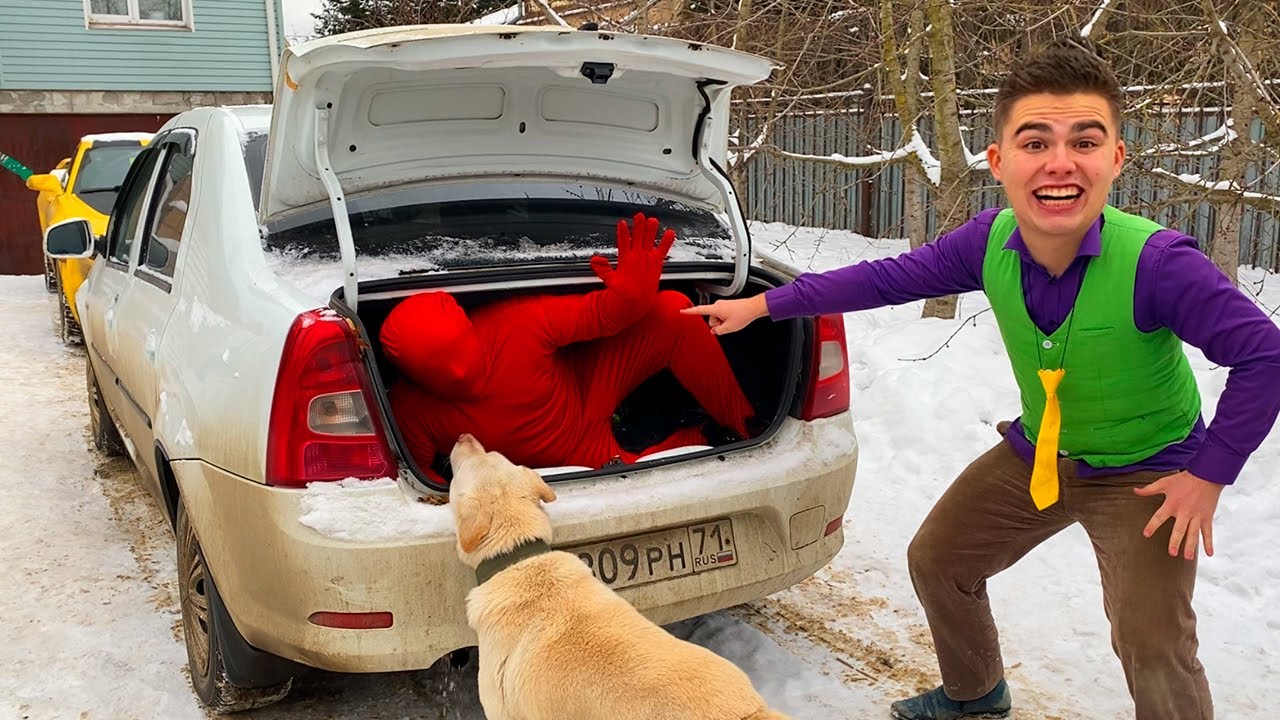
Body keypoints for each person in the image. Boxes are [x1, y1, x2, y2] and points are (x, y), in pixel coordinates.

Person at [683, 37, 1280, 720]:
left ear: (1117, 158)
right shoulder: (988, 241)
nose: (1060, 162)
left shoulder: (1160, 264)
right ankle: (975, 696)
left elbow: (1265, 356)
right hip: (1042, 451)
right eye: (1035, 142)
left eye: (1085, 142)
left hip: (1147, 470)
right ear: (998, 161)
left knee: (1152, 641)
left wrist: (1208, 474)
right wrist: (762, 305)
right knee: (940, 560)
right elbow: (885, 279)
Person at [381, 212, 756, 484]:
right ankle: (699, 440)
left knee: (674, 310)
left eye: (458, 350)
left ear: (468, 324)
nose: (458, 370)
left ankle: (744, 427)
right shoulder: (408, 408)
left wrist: (633, 295)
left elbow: (601, 315)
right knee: (627, 479)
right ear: (411, 374)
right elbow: (424, 480)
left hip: (586, 389)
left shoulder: (515, 322)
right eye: (436, 368)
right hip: (562, 458)